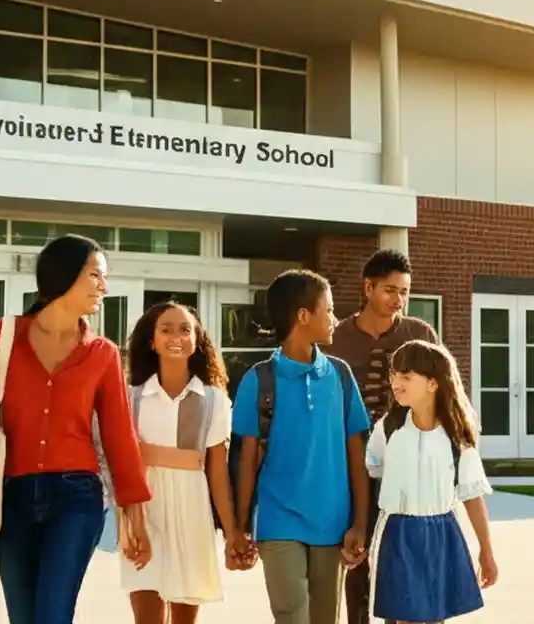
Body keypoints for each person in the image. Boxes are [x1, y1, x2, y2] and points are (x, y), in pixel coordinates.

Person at [0, 234, 152, 623]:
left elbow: (118, 435)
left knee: (53, 616)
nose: (103, 287)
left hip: (76, 499)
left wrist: (134, 514)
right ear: (65, 277)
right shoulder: (2, 336)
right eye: (95, 276)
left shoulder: (102, 354)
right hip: (10, 496)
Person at [231, 269, 372, 624]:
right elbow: (248, 459)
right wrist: (240, 526)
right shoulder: (258, 380)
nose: (334, 319)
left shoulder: (340, 376)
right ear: (303, 316)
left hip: (332, 521)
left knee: (325, 618)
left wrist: (359, 522)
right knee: (291, 614)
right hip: (278, 520)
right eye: (329, 310)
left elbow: (357, 456)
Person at [118, 301, 252, 624]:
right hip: (144, 510)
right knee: (147, 614)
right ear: (152, 341)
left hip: (192, 511)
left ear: (197, 340)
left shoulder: (214, 400)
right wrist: (130, 520)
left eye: (185, 329)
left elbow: (217, 472)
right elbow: (122, 463)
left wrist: (232, 532)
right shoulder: (131, 397)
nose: (176, 336)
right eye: (166, 330)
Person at [327, 249, 440, 624]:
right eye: (390, 290)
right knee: (357, 556)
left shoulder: (419, 334)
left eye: (404, 292)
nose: (398, 299)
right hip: (353, 465)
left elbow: (443, 394)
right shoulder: (336, 337)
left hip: (409, 466)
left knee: (404, 558)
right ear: (368, 287)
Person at [365, 340, 497, 623]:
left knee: (434, 617)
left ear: (433, 384)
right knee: (405, 617)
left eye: (406, 376)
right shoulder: (388, 429)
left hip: (442, 533)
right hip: (398, 533)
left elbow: (472, 494)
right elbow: (374, 468)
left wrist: (486, 550)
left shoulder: (457, 435)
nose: (395, 382)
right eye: (393, 374)